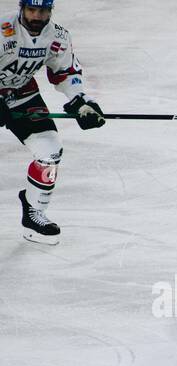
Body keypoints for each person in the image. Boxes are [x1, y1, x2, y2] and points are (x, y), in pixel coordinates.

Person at [0, 0, 105, 244]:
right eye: (31, 10)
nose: (37, 16)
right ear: (22, 8)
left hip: (20, 94)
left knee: (50, 151)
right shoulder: (4, 30)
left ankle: (34, 213)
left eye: (43, 11)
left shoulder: (57, 36)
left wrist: (81, 102)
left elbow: (66, 73)